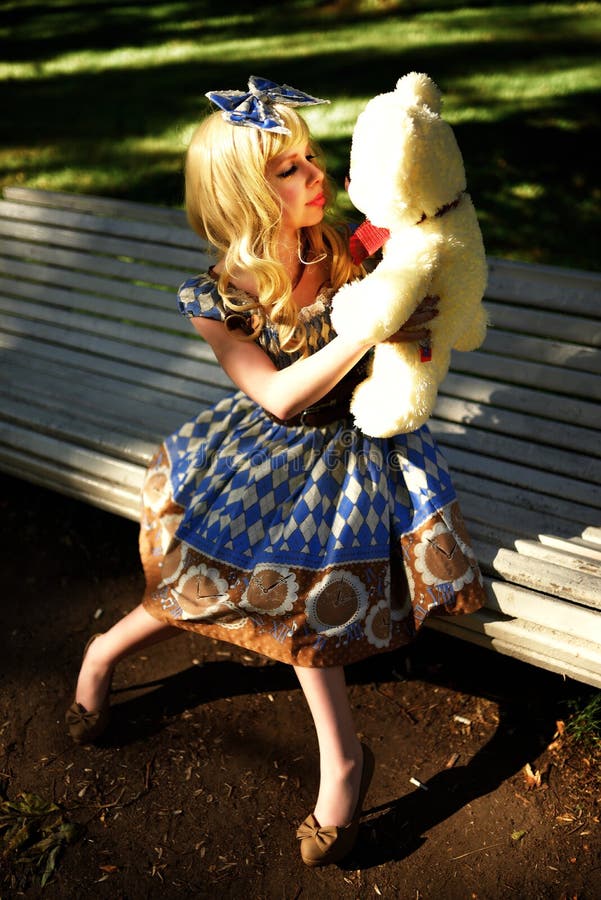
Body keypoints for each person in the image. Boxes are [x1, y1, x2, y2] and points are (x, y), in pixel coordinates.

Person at [66, 76, 486, 867]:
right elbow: (279, 397)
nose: (314, 175)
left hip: (353, 448)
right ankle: (101, 654)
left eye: (309, 156)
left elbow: (416, 257)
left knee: (305, 599)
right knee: (200, 577)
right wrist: (371, 328)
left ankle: (343, 764)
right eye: (288, 168)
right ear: (241, 195)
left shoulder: (342, 245)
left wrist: (415, 309)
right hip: (263, 453)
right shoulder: (217, 297)